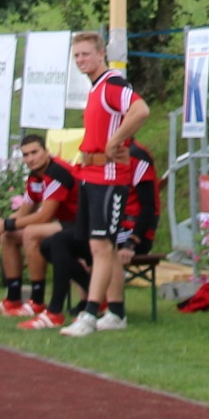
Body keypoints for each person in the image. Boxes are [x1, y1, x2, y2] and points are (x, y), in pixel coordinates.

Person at [58, 31, 151, 337]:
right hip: (91, 175)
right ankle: (116, 311)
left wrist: (117, 139)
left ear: (101, 54)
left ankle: (88, 313)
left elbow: (140, 109)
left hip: (109, 178)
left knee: (101, 246)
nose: (81, 60)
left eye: (86, 54)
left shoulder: (112, 83)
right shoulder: (96, 89)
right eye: (77, 56)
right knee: (101, 247)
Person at [29, 142, 156, 331]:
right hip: (102, 226)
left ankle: (57, 311)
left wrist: (133, 241)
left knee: (64, 241)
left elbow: (149, 206)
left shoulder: (137, 157)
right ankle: (91, 292)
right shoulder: (96, 156)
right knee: (50, 244)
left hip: (129, 229)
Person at [0, 133, 78, 316]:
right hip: (63, 224)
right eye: (25, 155)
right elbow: (24, 212)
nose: (30, 158)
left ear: (47, 152)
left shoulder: (57, 173)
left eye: (34, 152)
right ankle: (13, 299)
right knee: (8, 236)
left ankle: (37, 301)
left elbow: (44, 217)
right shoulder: (35, 176)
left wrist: (6, 224)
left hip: (80, 223)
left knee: (31, 233)